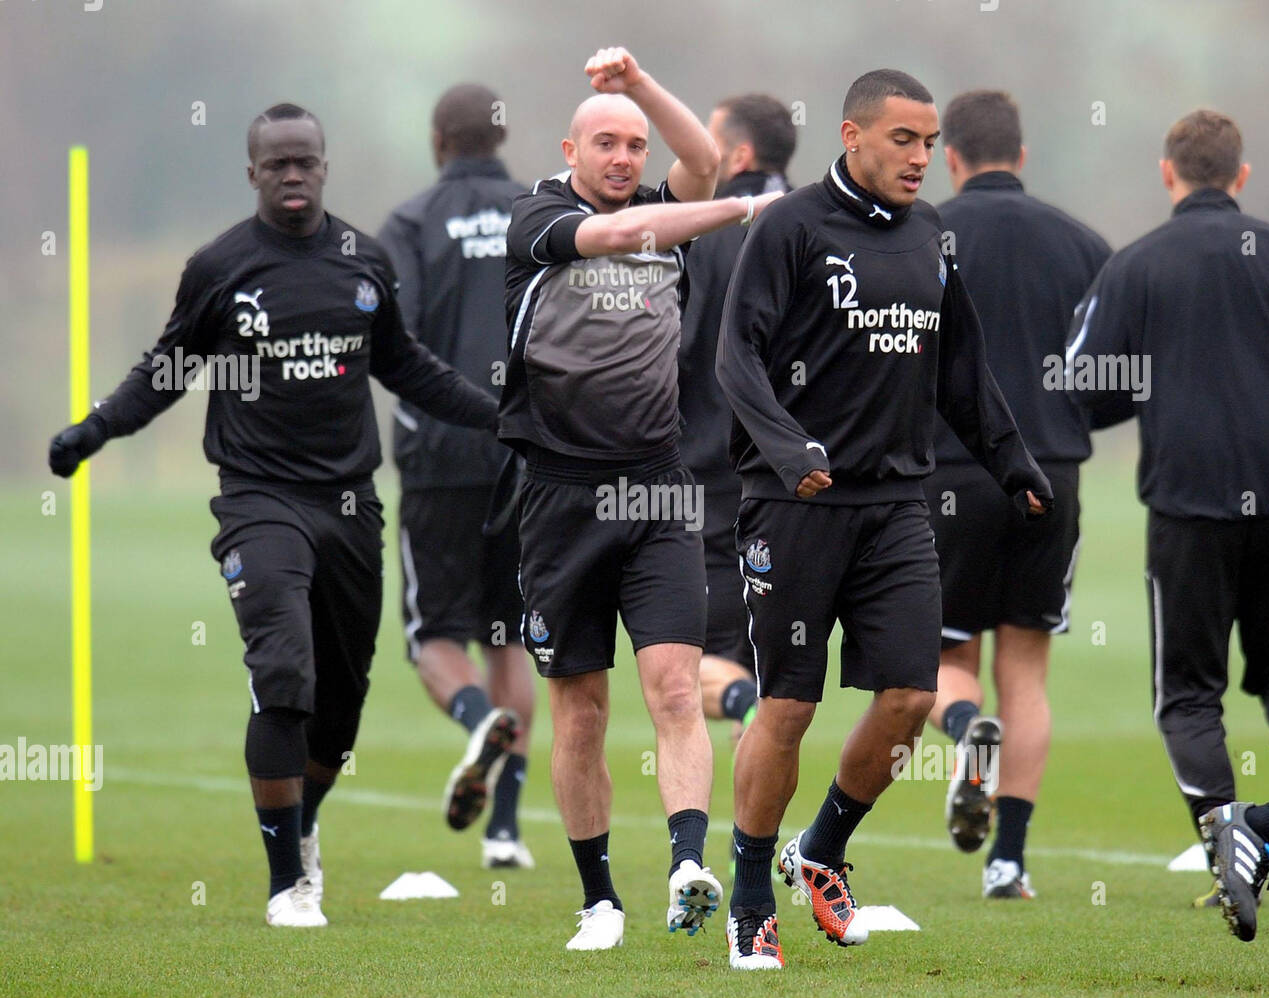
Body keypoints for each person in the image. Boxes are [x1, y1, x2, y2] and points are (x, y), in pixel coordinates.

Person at [47, 104, 499, 927]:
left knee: (340, 702)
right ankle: (287, 880)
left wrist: (497, 412)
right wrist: (94, 428)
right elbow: (166, 369)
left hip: (352, 503)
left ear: (324, 166)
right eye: (277, 165)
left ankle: (305, 823)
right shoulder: (220, 267)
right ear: (252, 173)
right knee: (283, 669)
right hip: (260, 500)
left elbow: (407, 366)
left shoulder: (365, 260)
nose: (294, 176)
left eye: (307, 162)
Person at [716, 69, 1051, 971]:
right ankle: (751, 899)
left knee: (909, 696)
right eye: (903, 140)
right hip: (795, 504)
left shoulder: (933, 235)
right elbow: (734, 354)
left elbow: (962, 372)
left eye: (930, 143)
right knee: (787, 703)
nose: (920, 158)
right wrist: (789, 449)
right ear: (852, 135)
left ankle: (820, 850)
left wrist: (1013, 461)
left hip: (897, 505)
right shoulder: (788, 225)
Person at [502, 46, 783, 951]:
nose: (625, 159)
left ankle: (687, 865)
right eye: (608, 144)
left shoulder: (669, 203)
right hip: (558, 498)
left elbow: (700, 161)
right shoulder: (536, 221)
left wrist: (639, 87)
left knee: (672, 688)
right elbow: (623, 236)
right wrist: (748, 207)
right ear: (570, 152)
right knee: (580, 707)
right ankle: (597, 900)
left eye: (634, 145)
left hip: (660, 492)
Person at [1065, 108, 1269, 918]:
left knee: (1190, 693)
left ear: (1169, 174)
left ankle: (1228, 841)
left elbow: (1079, 384)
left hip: (1187, 502)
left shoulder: (1137, 265)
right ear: (1241, 175)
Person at [921, 90, 1110, 900]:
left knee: (940, 656)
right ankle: (1010, 861)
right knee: (1026, 669)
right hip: (1051, 470)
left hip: (948, 472)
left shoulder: (918, 232)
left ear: (949, 156)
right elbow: (1108, 370)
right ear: (1021, 155)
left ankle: (967, 735)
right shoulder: (1085, 243)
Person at [378, 83, 535, 869]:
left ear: (440, 138)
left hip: (440, 455)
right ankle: (505, 830)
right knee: (509, 634)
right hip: (526, 455)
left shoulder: (408, 224)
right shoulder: (539, 210)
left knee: (434, 633)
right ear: (499, 137)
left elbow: (388, 338)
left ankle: (476, 717)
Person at [678, 93, 796, 747]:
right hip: (809, 473)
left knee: (679, 659)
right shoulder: (825, 221)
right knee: (782, 643)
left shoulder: (706, 232)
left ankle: (751, 709)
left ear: (740, 155)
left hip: (712, 469)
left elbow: (675, 346)